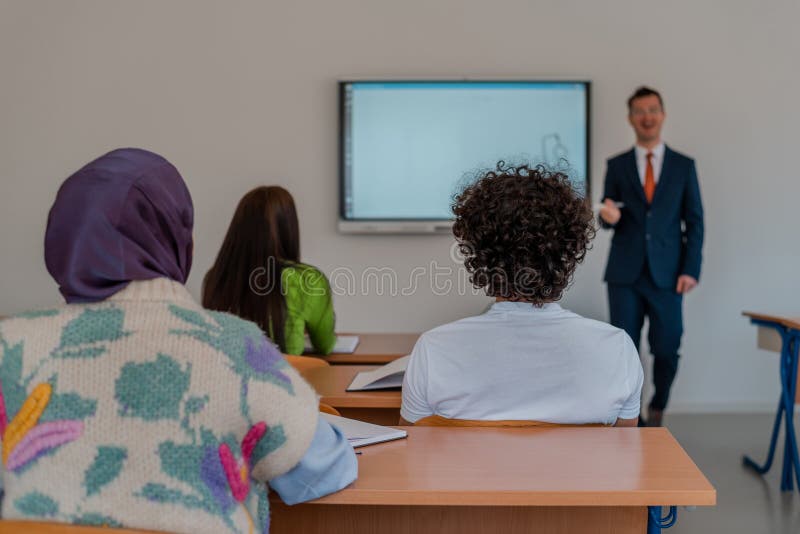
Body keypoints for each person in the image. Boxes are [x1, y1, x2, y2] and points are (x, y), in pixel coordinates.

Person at [0, 149, 356, 533]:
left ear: (60, 240)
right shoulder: (237, 351)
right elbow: (324, 469)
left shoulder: (9, 346)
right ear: (176, 235)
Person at [400, 163, 643, 427]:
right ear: (568, 252)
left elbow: (412, 455)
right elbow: (625, 453)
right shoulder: (618, 349)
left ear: (479, 255)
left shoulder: (434, 350)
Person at [599, 87, 704, 427]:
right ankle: (635, 419)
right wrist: (606, 216)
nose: (647, 117)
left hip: (669, 274)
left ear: (663, 114)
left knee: (667, 348)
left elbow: (695, 220)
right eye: (640, 111)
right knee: (626, 352)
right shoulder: (616, 165)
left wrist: (691, 269)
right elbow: (607, 211)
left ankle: (659, 404)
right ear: (630, 118)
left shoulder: (683, 166)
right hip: (624, 275)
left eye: (653, 110)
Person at [203, 186, 336, 356]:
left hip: (228, 380)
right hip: (288, 380)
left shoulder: (216, 277)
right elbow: (325, 345)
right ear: (290, 227)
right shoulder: (307, 279)